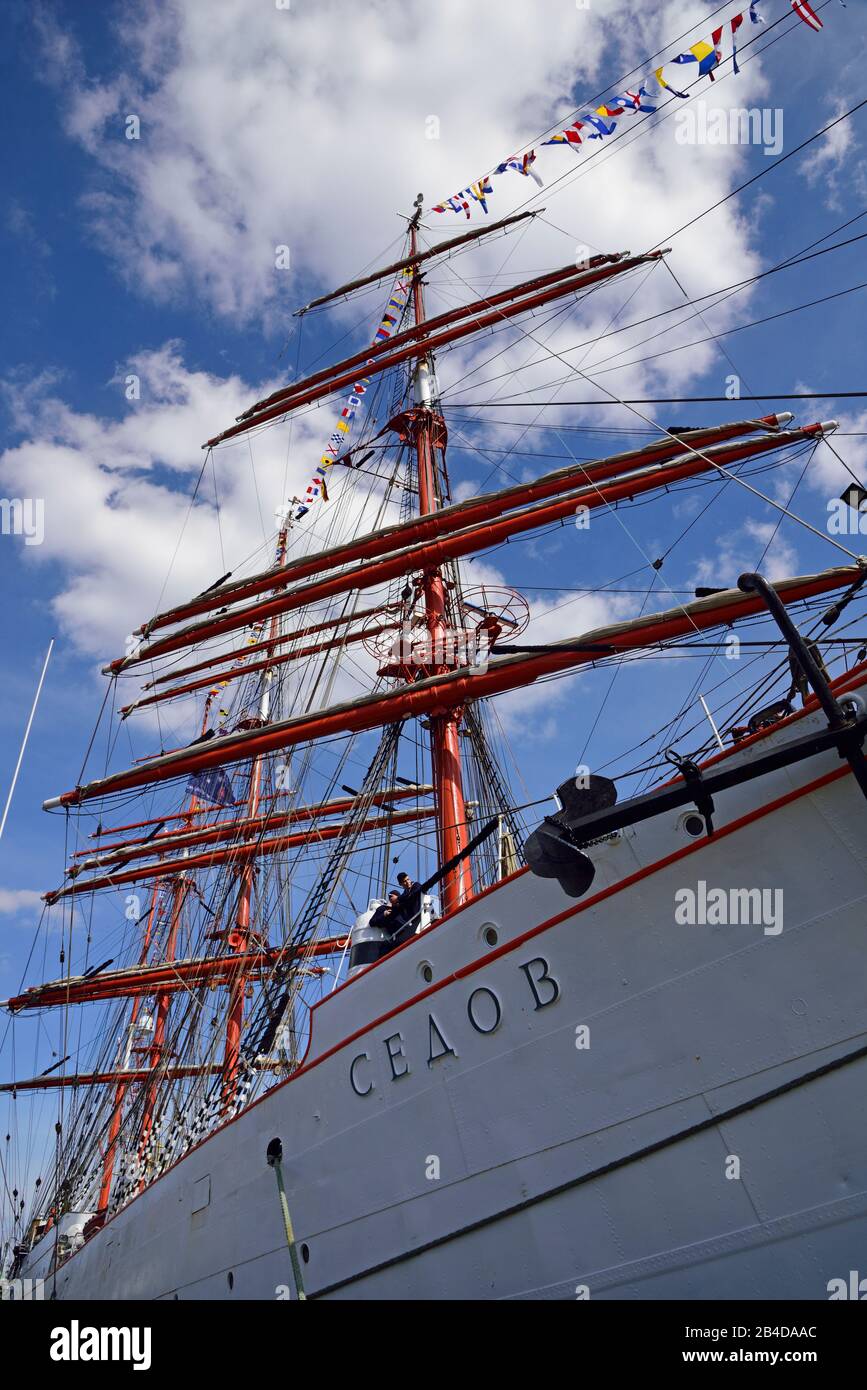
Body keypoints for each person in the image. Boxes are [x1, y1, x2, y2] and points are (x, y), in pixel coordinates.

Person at [396, 871, 423, 936]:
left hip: (419, 915)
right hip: (411, 919)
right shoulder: (404, 894)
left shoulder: (416, 885)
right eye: (405, 881)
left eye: (408, 879)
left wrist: (398, 899)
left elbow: (411, 895)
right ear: (400, 884)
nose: (408, 882)